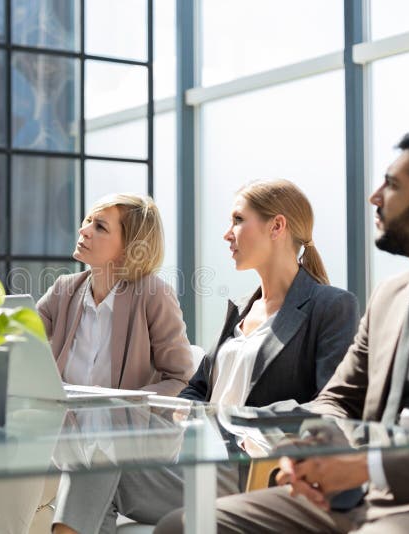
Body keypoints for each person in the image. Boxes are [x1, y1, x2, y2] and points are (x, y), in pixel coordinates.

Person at [158, 127, 409, 533]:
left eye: (393, 186)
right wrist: (310, 453)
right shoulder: (390, 296)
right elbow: (337, 398)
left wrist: (366, 466)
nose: (375, 196)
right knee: (183, 526)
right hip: (351, 497)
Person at [53, 179, 359, 534]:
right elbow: (197, 387)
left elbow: (334, 406)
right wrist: (184, 410)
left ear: (277, 226)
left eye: (238, 220)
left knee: (95, 472)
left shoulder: (331, 305)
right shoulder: (242, 309)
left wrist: (237, 420)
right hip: (196, 457)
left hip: (252, 467)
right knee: (92, 462)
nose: (228, 234)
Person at [0, 193, 195, 533]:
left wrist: (124, 405)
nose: (84, 230)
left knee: (97, 456)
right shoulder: (65, 290)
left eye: (99, 226)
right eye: (86, 221)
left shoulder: (153, 294)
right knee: (14, 453)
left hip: (130, 447)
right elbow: (18, 339)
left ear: (131, 246)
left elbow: (182, 378)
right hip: (66, 441)